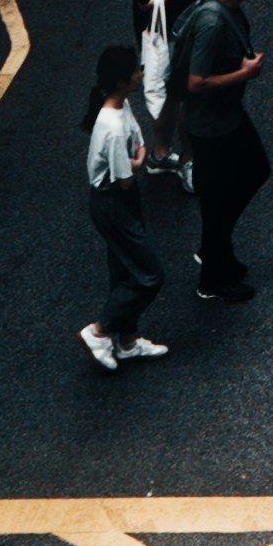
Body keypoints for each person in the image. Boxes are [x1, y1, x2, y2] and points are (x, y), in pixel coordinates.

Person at [172, 0, 273, 321]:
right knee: (217, 200)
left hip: (227, 115)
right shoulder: (214, 22)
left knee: (255, 171)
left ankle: (217, 248)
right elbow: (195, 82)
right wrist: (244, 74)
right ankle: (212, 273)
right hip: (211, 125)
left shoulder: (220, 5)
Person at [79, 48, 172, 376]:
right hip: (113, 204)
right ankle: (100, 330)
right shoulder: (112, 127)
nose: (141, 73)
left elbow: (139, 148)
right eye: (137, 70)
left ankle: (128, 341)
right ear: (122, 80)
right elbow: (125, 181)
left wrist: (139, 157)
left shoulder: (123, 105)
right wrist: (141, 159)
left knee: (125, 271)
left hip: (119, 203)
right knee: (150, 276)